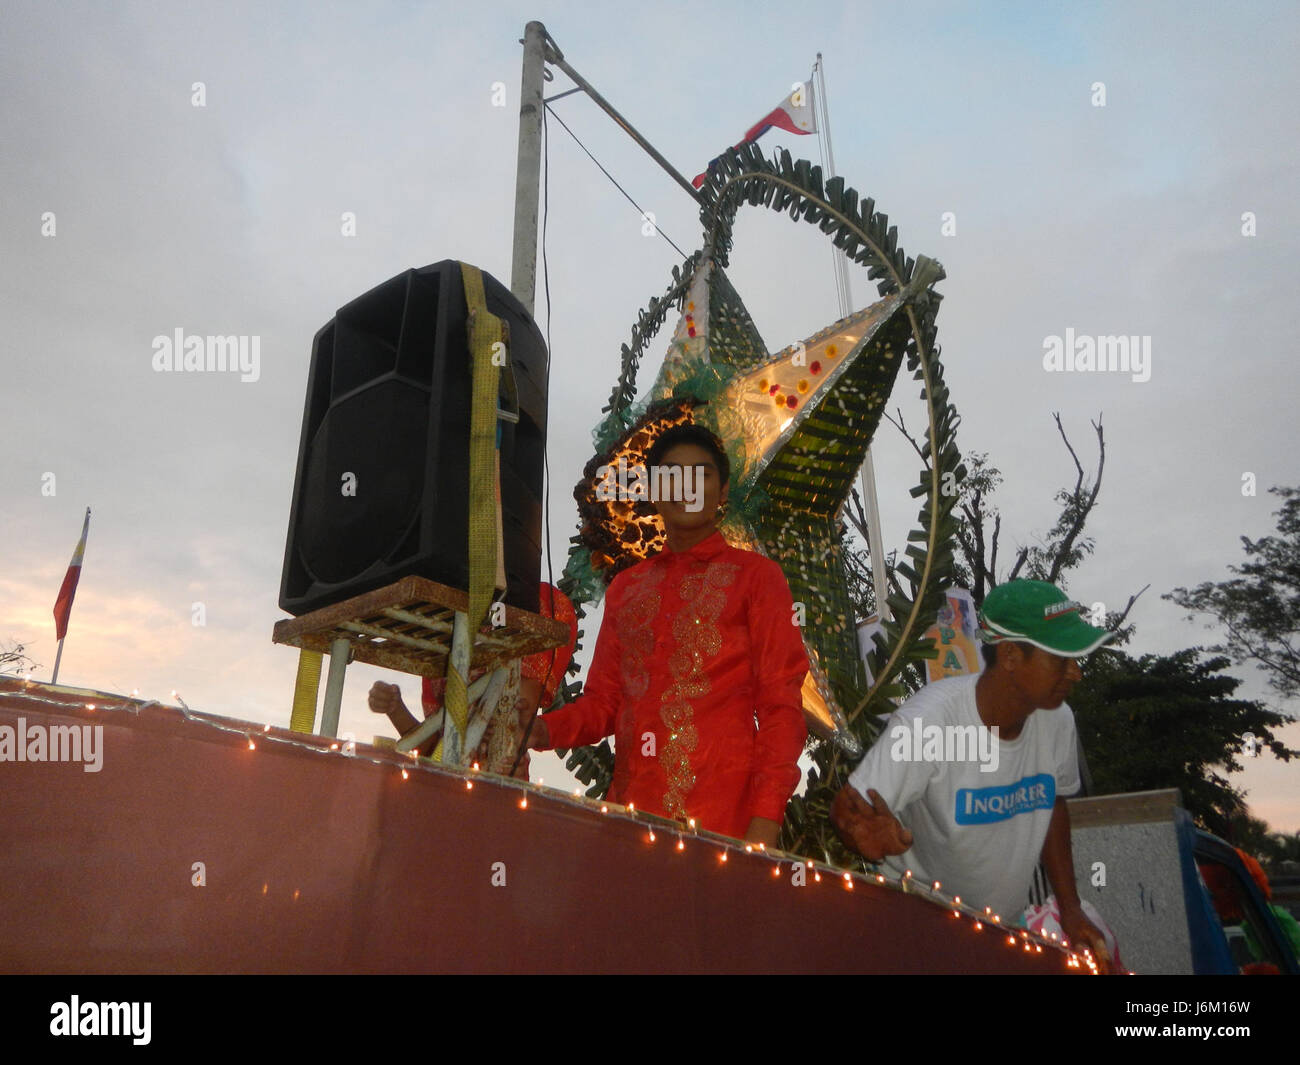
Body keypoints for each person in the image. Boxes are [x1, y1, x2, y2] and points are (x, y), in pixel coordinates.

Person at [529, 423, 809, 845]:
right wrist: (541, 731)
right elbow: (605, 703)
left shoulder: (758, 579)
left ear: (724, 491)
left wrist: (764, 822)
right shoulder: (627, 588)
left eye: (702, 473)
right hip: (628, 820)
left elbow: (780, 708)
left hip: (723, 828)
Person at [831, 579, 1116, 971]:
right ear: (1012, 655)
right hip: (919, 929)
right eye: (1062, 659)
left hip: (1001, 933)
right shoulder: (928, 724)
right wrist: (862, 835)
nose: (1076, 673)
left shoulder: (1058, 720)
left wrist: (1070, 908)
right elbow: (848, 812)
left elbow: (1053, 802)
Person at [368, 583, 577, 778]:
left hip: (502, 783)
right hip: (445, 790)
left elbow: (518, 707)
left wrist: (499, 726)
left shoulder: (537, 602)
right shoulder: (442, 632)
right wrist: (396, 709)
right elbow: (439, 746)